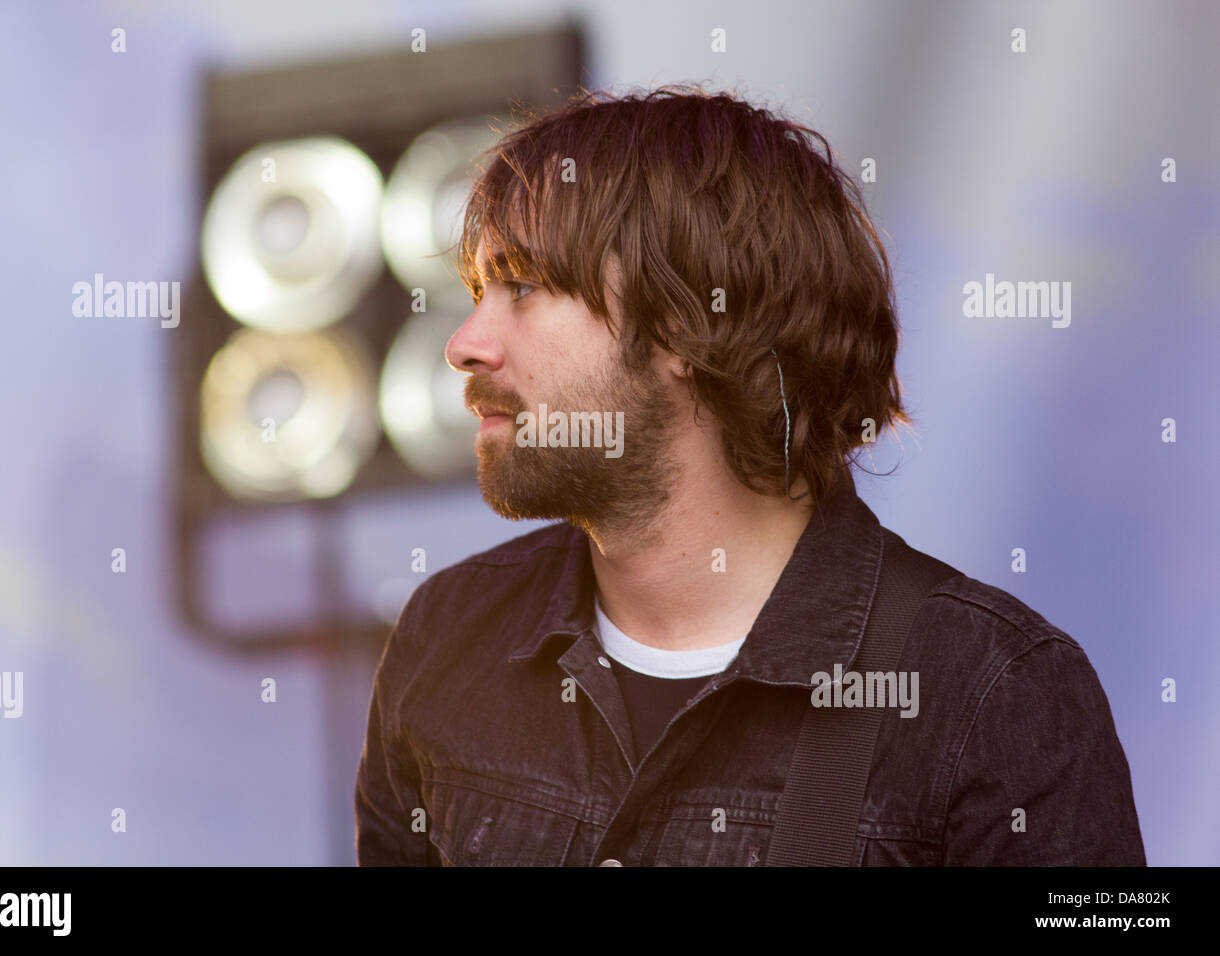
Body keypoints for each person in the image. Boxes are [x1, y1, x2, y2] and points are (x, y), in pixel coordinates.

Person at [354, 85, 1146, 866]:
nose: (464, 343)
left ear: (689, 326)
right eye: (477, 291)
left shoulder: (992, 692)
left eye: (522, 285)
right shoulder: (446, 637)